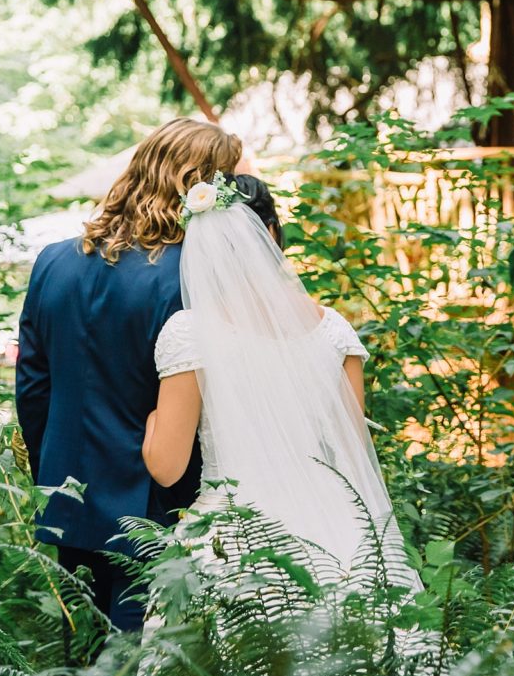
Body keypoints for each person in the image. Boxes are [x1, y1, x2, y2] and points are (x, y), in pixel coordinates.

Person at [15, 118, 243, 631]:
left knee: (88, 675)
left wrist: (51, 478)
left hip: (68, 499)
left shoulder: (52, 262)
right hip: (159, 504)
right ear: (198, 185)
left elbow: (33, 388)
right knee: (147, 670)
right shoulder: (190, 273)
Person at [141, 172, 419, 591]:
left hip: (233, 534)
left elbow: (166, 469)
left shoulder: (189, 332)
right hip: (337, 528)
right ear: (271, 233)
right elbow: (353, 454)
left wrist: (152, 425)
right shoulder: (335, 330)